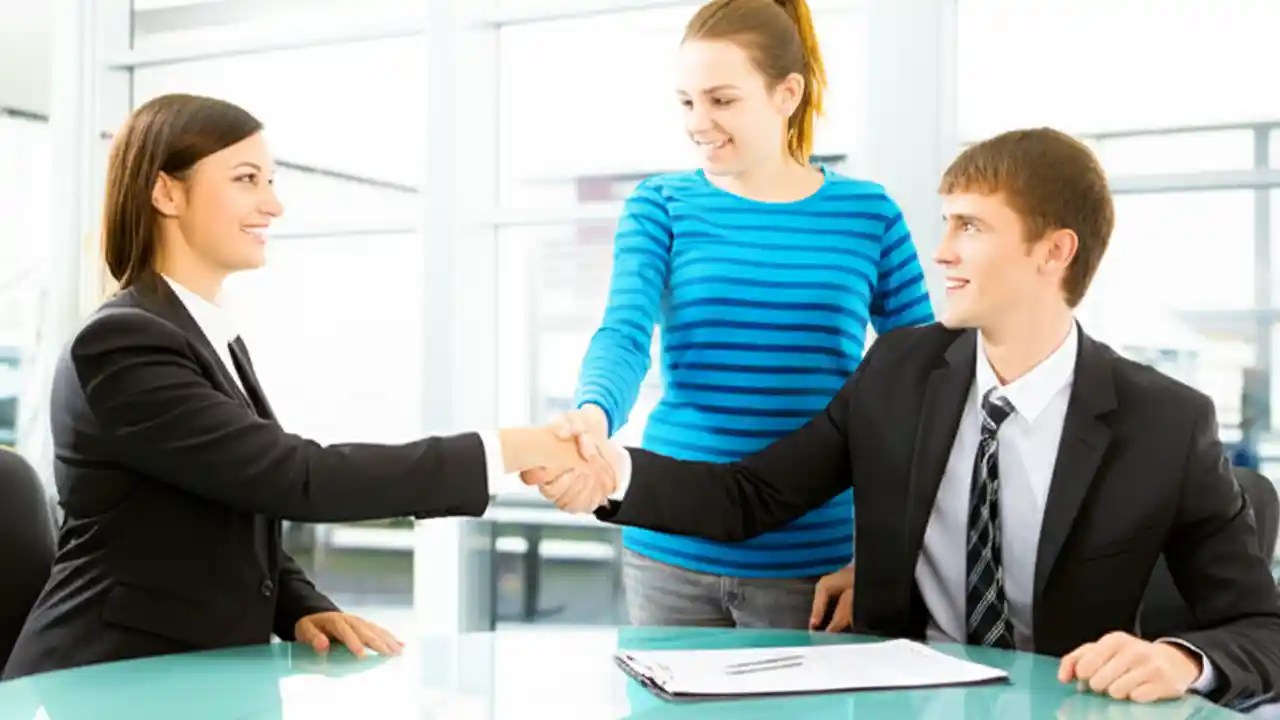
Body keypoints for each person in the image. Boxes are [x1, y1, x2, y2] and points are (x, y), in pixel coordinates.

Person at [538, 127, 1280, 708]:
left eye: (971, 227)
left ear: (1054, 251)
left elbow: (1264, 630)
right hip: (901, 705)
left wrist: (1181, 660)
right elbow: (750, 495)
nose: (942, 251)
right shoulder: (898, 371)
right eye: (945, 223)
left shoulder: (1164, 422)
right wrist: (612, 472)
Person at [2, 93, 607, 680]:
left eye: (272, 181)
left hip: (190, 671)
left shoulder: (208, 337)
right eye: (246, 179)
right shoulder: (122, 344)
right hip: (104, 678)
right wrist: (510, 448)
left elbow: (233, 505)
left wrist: (301, 605)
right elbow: (299, 479)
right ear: (166, 191)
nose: (273, 205)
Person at [524, 0, 932, 631]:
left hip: (812, 560)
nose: (699, 122)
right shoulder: (660, 204)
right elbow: (625, 333)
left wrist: (878, 555)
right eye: (686, 102)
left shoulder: (868, 214)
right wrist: (593, 414)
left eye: (721, 100)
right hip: (668, 548)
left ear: (786, 93)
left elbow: (920, 384)